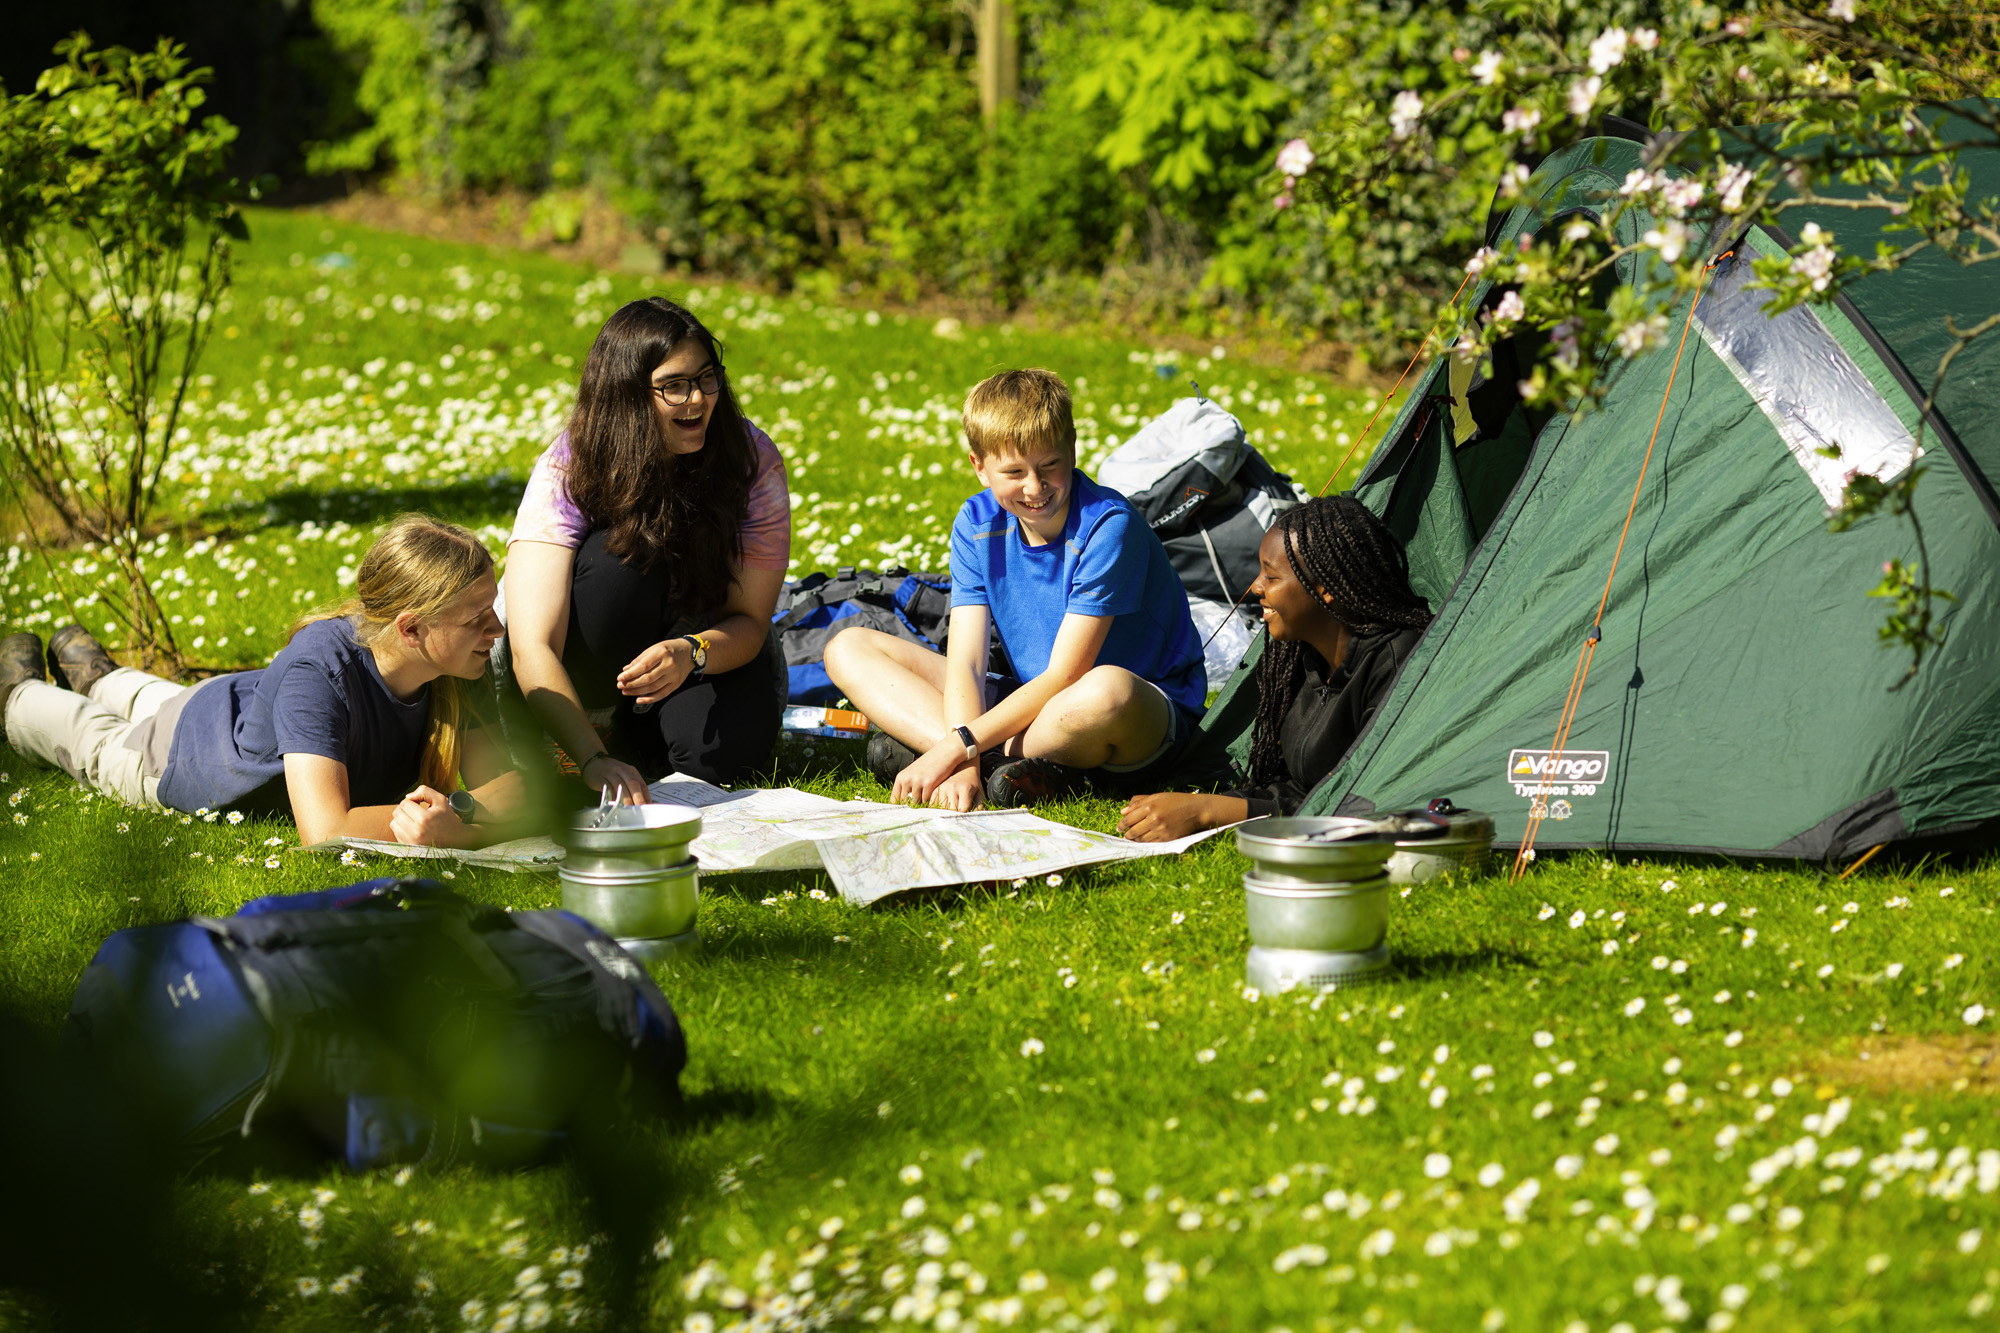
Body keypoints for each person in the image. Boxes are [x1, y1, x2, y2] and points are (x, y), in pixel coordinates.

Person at [0, 514, 524, 847]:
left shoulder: (459, 662)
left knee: (152, 698)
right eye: (476, 618)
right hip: (190, 752)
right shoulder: (319, 672)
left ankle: (100, 676)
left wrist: (462, 816)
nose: (496, 630)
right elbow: (324, 830)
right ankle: (20, 694)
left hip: (236, 700)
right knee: (94, 741)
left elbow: (510, 788)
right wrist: (453, 828)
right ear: (411, 628)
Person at [825, 368, 1206, 811]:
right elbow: (966, 661)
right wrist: (964, 763)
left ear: (1073, 447)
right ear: (979, 467)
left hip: (1132, 712)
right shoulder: (975, 522)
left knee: (1107, 691)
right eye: (1014, 471)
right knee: (847, 647)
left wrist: (954, 748)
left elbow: (1068, 674)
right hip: (1030, 701)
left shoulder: (1108, 526)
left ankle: (960, 753)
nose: (1034, 487)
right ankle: (999, 770)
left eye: (1049, 465)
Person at [503, 297, 790, 803]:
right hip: (586, 654)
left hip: (702, 642)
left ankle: (644, 742)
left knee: (721, 765)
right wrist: (590, 756)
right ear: (628, 395)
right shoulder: (570, 465)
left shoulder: (750, 460)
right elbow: (533, 644)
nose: (698, 399)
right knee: (620, 562)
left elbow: (750, 618)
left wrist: (691, 652)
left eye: (707, 378)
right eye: (674, 386)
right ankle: (587, 737)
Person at [1117, 495, 1431, 841]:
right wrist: (1199, 804)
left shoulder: (1398, 665)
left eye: (1271, 576)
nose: (1255, 587)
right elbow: (1295, 785)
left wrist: (1207, 812)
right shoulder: (1301, 658)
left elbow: (1368, 798)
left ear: (1324, 588)